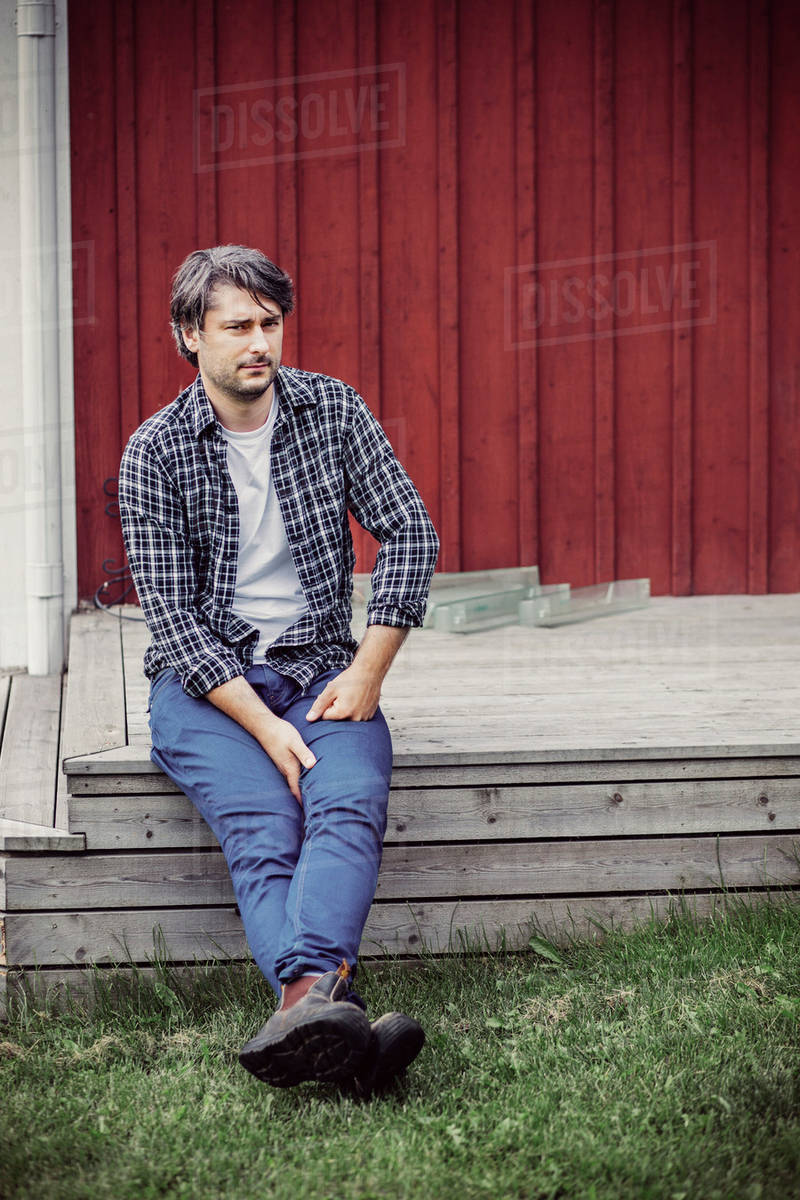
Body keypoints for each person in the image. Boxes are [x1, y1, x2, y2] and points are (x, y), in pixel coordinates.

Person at [118, 245, 439, 1092]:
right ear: (190, 335)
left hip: (323, 666)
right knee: (265, 829)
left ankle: (305, 1012)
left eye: (271, 323)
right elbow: (176, 624)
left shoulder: (332, 409)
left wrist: (369, 671)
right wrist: (263, 727)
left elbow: (410, 531)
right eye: (237, 326)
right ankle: (341, 1027)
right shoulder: (153, 452)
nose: (259, 342)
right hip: (207, 689)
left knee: (348, 803)